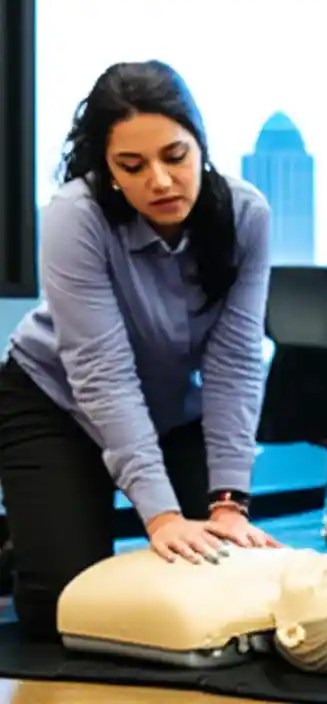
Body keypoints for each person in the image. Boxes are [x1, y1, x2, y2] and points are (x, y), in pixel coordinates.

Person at [0, 60, 280, 641]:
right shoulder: (74, 216)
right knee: (65, 606)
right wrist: (161, 514)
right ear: (107, 169)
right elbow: (101, 372)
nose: (159, 180)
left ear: (199, 144)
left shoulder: (246, 214)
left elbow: (234, 362)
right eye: (132, 165)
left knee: (226, 567)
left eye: (174, 156)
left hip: (173, 408)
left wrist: (229, 501)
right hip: (53, 401)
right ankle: (27, 540)